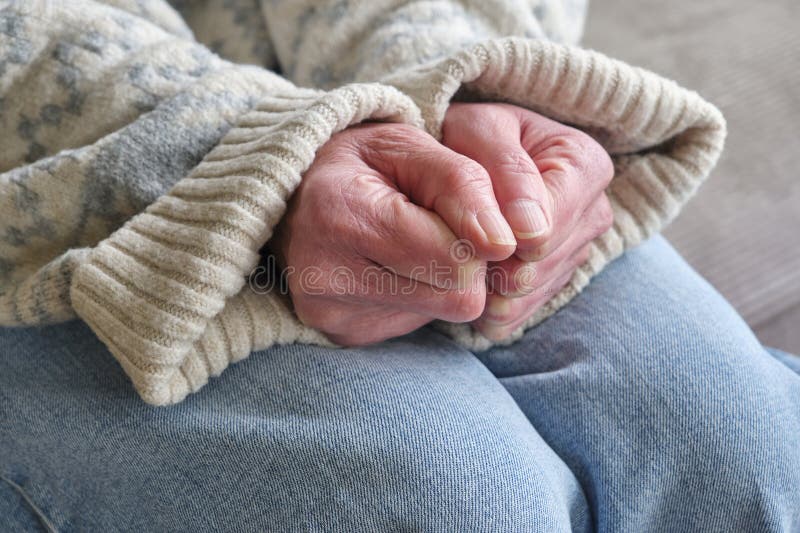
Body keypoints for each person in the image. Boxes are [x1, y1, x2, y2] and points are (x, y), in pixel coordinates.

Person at [1, 1, 798, 531]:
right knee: (459, 501)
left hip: (370, 75)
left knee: (752, 454)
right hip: (51, 171)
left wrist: (450, 73)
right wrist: (244, 157)